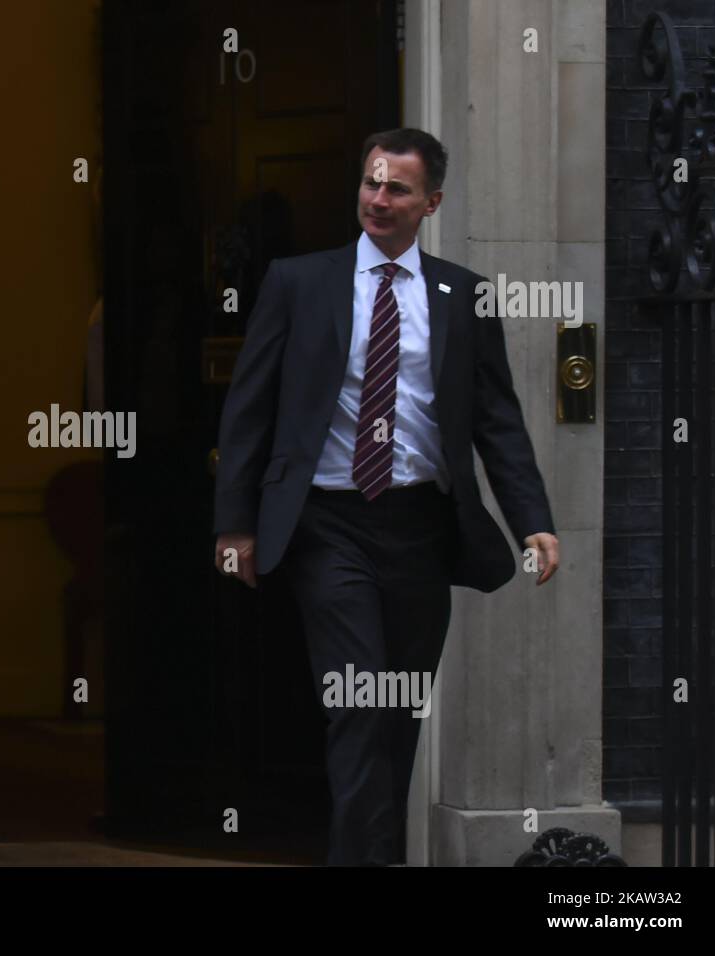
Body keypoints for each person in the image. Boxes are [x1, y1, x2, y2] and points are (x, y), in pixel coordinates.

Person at [212, 128, 559, 866]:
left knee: (396, 712)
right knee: (362, 702)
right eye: (370, 183)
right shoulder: (299, 282)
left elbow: (497, 418)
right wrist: (236, 524)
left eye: (397, 188)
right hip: (327, 525)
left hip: (420, 530)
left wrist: (533, 521)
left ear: (431, 202)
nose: (378, 199)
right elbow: (250, 408)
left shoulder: (462, 295)